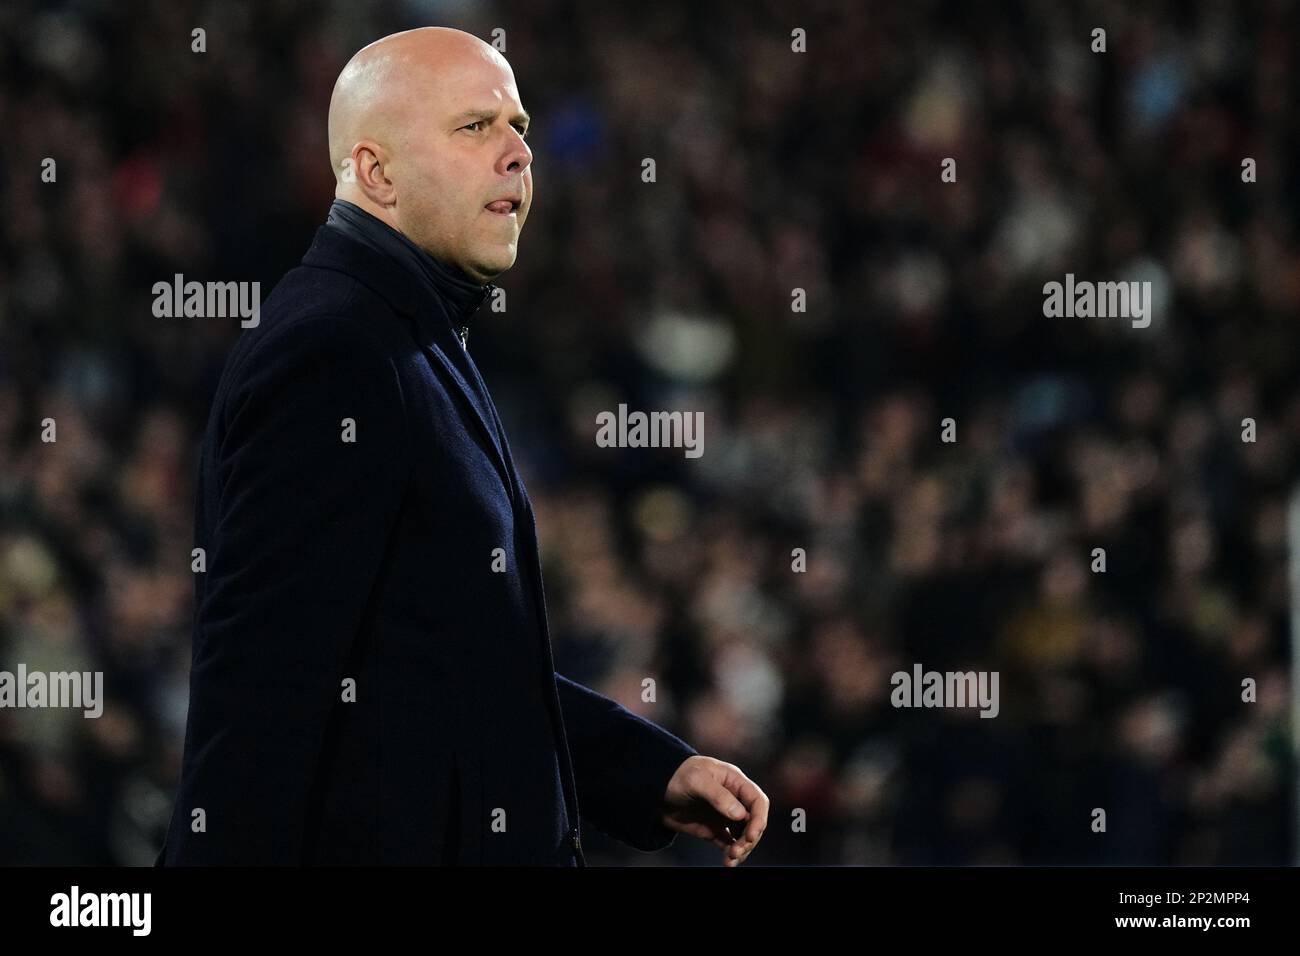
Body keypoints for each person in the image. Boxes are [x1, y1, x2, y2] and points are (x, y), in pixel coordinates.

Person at [156, 26, 768, 866]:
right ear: (376, 172)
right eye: (475, 127)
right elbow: (265, 691)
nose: (520, 152)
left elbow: (450, 664)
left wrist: (644, 769)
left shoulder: (416, 335)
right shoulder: (334, 352)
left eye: (517, 125)